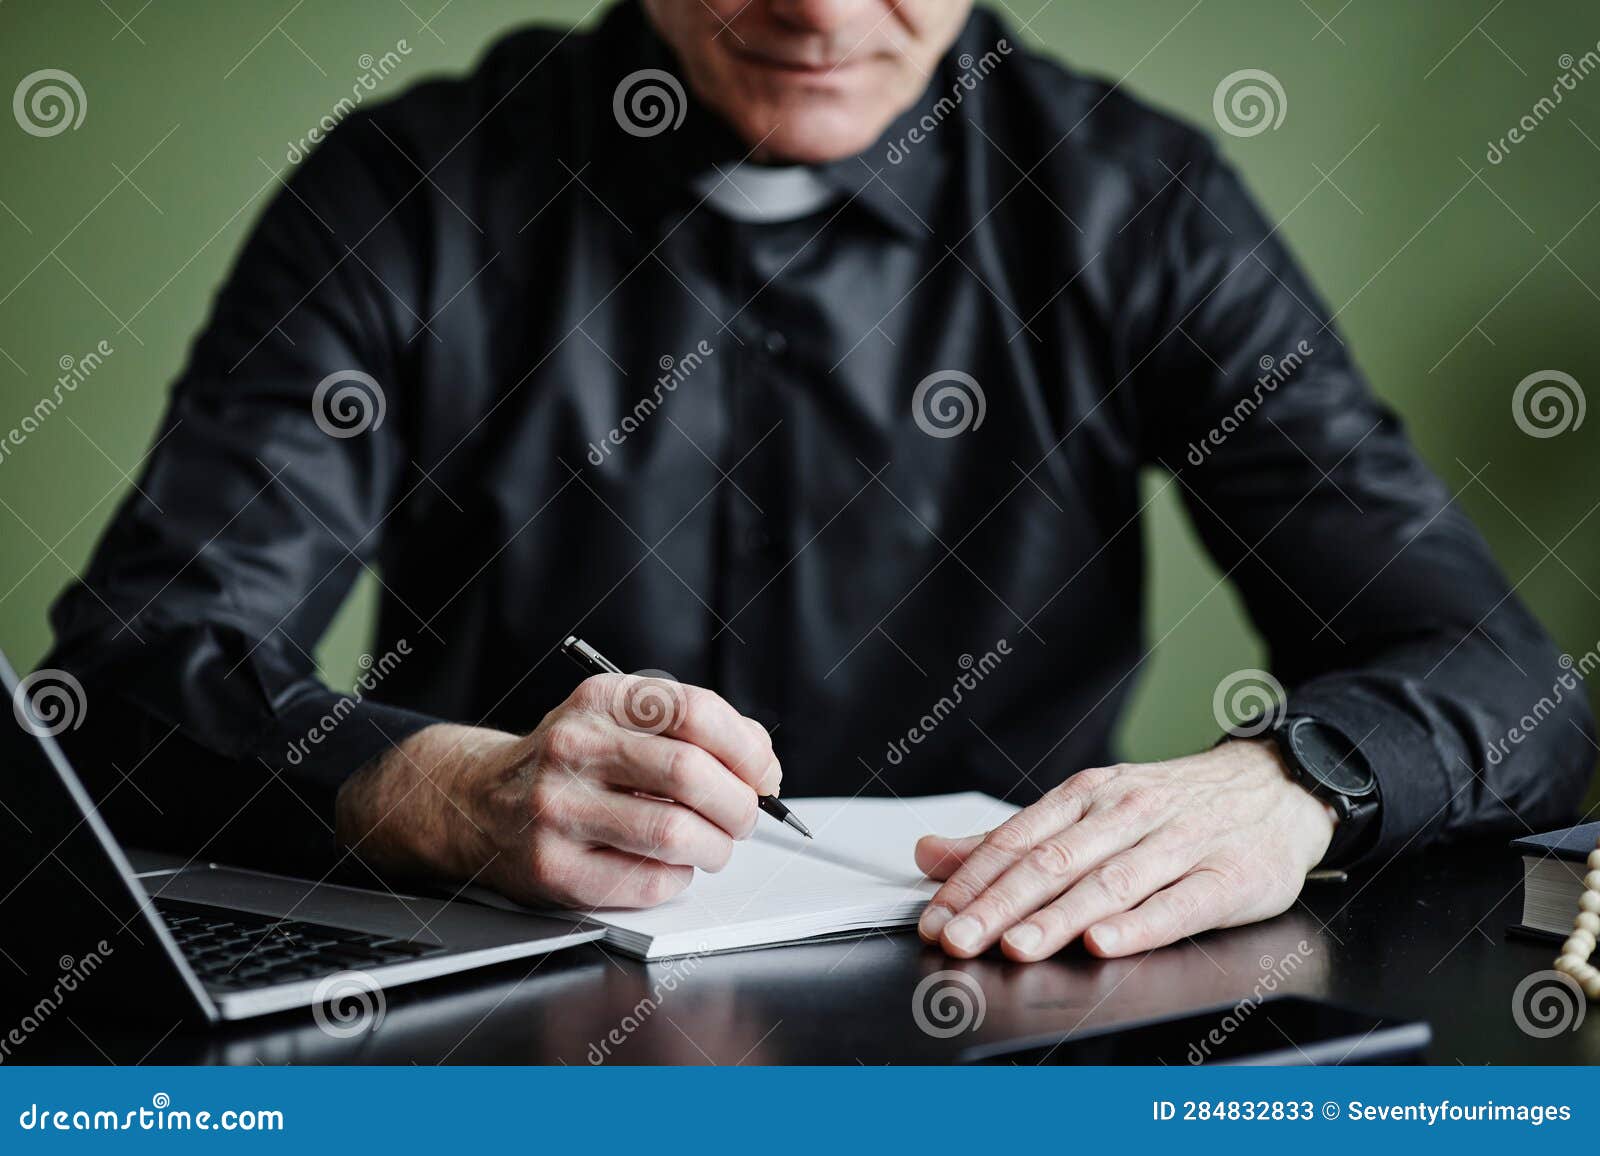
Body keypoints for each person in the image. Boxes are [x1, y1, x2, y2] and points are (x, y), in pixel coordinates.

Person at [43, 0, 1592, 963]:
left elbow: (1506, 679)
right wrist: (452, 795)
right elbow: (121, 685)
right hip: (502, 1038)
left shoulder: (1139, 204)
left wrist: (1299, 782)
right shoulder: (411, 190)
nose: (820, 6)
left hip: (1018, 1017)